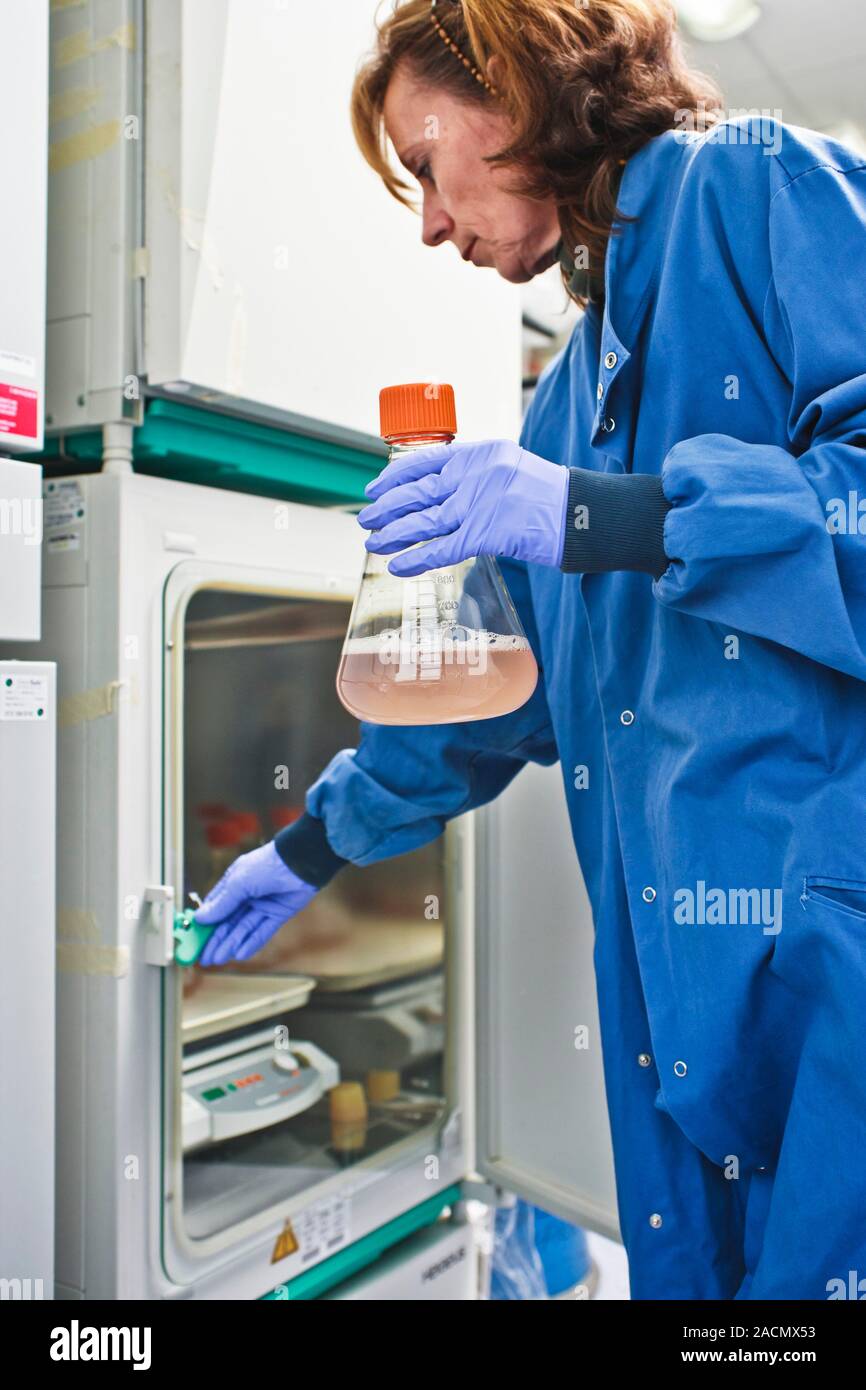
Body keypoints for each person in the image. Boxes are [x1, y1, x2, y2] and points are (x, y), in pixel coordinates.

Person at [195, 0, 866, 1300]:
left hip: (832, 986)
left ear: (514, 85)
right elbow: (493, 698)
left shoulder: (755, 189)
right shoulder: (562, 398)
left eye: (424, 164)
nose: (430, 224)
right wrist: (306, 846)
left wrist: (600, 513)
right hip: (686, 1022)